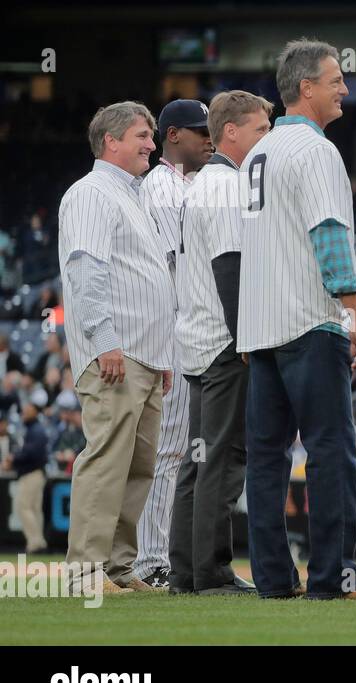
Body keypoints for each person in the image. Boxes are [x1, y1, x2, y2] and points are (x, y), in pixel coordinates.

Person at [237, 40, 356, 600]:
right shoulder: (317, 151)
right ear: (306, 88)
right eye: (335, 80)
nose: (344, 89)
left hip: (260, 329)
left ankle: (274, 582)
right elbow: (329, 236)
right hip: (309, 320)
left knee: (267, 462)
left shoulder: (257, 153)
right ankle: (332, 576)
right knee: (330, 451)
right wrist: (354, 314)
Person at [59, 101, 176, 593]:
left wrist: (163, 355)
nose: (152, 144)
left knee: (138, 465)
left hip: (145, 355)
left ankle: (117, 567)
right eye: (143, 136)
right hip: (116, 354)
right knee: (108, 458)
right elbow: (88, 270)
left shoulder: (132, 195)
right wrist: (104, 341)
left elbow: (145, 278)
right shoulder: (91, 193)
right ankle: (85, 571)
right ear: (111, 141)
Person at [133, 98, 212, 589]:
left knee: (190, 450)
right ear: (173, 135)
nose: (210, 137)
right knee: (170, 449)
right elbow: (169, 269)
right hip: (175, 329)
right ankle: (151, 559)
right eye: (200, 130)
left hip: (196, 327)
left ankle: (180, 556)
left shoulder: (196, 184)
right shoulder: (161, 187)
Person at [5, 402, 49, 553]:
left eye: (28, 410)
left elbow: (32, 453)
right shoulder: (34, 429)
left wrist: (14, 459)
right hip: (36, 473)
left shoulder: (36, 430)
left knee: (23, 507)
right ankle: (39, 542)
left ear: (36, 412)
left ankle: (35, 543)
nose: (24, 413)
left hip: (32, 473)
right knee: (35, 509)